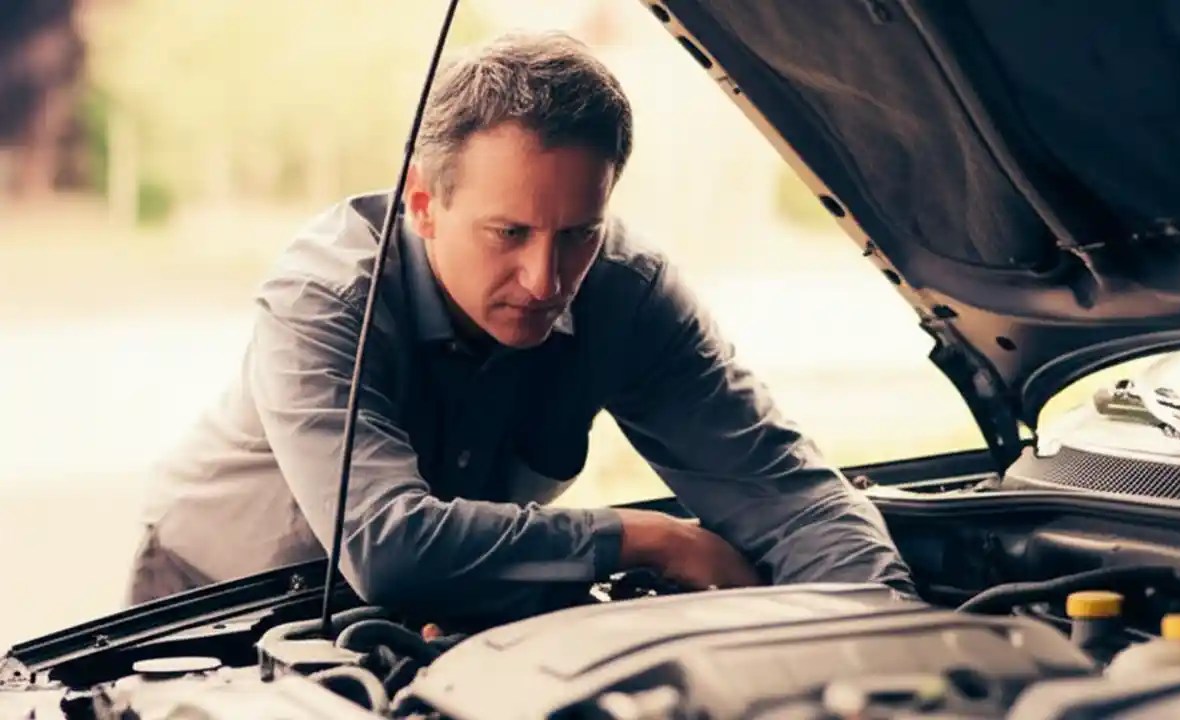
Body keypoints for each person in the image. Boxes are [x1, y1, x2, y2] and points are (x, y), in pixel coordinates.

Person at [128, 31, 915, 620]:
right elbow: (390, 546)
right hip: (210, 611)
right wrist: (650, 537)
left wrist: (891, 632)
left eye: (579, 233)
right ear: (424, 204)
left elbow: (794, 499)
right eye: (510, 234)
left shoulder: (627, 294)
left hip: (429, 617)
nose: (547, 282)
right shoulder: (326, 295)